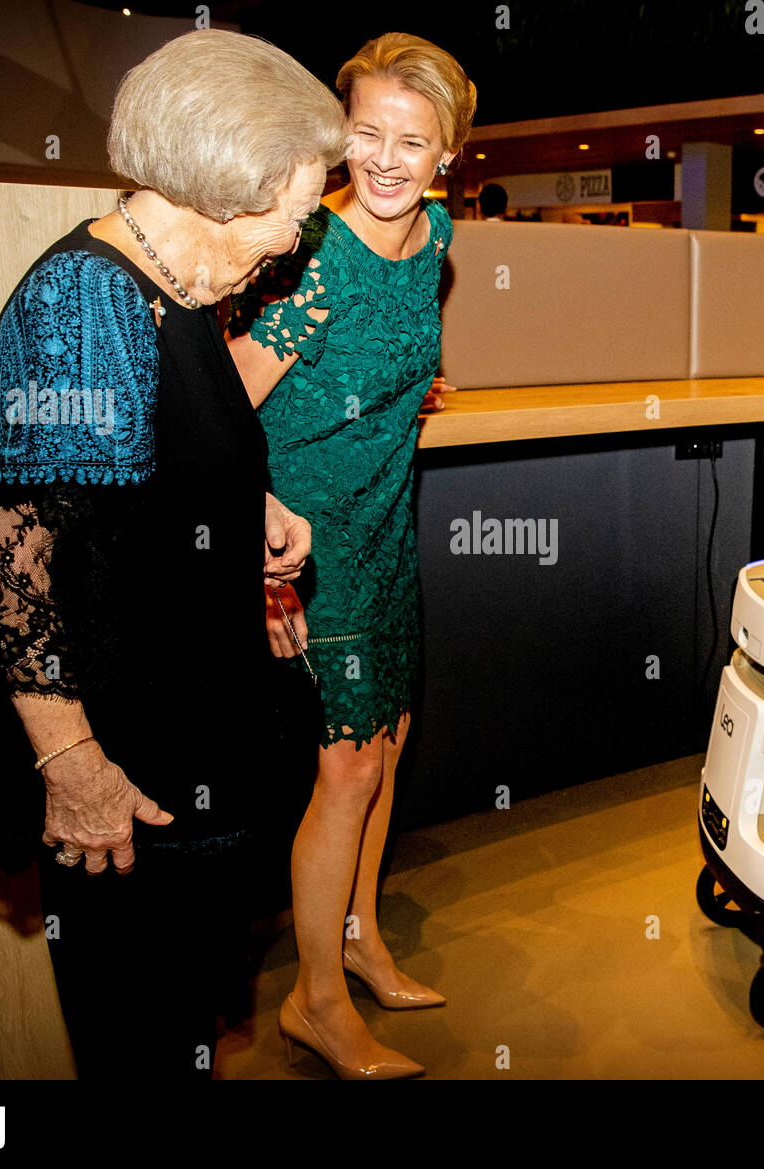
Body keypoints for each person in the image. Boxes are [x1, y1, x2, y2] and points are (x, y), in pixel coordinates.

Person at [0, 30, 347, 1080]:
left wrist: (250, 508)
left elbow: (139, 479)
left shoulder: (175, 288)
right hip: (126, 782)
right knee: (142, 1043)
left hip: (183, 753)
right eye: (297, 207)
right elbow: (5, 551)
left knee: (181, 1035)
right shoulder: (85, 302)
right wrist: (73, 766)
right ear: (228, 190)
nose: (297, 236)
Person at [227, 32, 476, 1080]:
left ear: (446, 157)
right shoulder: (309, 255)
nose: (382, 160)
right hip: (310, 538)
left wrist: (409, 383)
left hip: (386, 520)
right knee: (348, 763)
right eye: (363, 133)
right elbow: (225, 407)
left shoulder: (435, 236)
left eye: (409, 141)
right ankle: (314, 1000)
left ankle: (361, 937)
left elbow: (400, 346)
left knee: (392, 732)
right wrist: (260, 535)